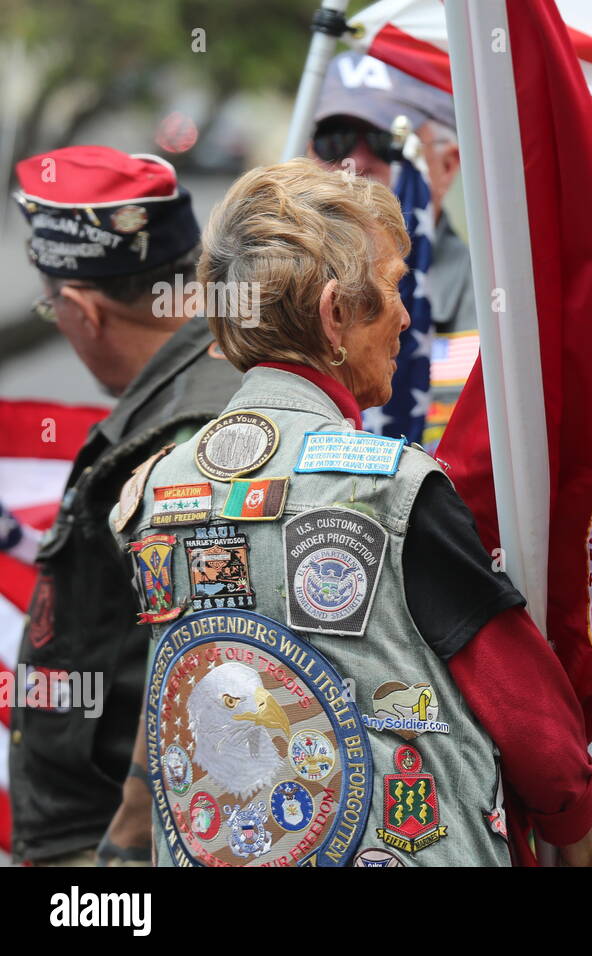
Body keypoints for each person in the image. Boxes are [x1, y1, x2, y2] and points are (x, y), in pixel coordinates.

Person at [109, 159, 592, 867]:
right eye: (396, 288)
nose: (406, 315)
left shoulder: (152, 492)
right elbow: (536, 727)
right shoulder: (395, 489)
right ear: (334, 313)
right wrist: (580, 834)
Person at [8, 146, 242, 865]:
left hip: (120, 844)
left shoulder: (181, 436)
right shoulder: (213, 389)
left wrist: (126, 840)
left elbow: (212, 653)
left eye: (53, 308)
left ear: (82, 308)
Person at [308, 51, 475, 447]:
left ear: (447, 165)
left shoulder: (506, 308)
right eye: (335, 141)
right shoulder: (262, 305)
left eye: (389, 143)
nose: (355, 162)